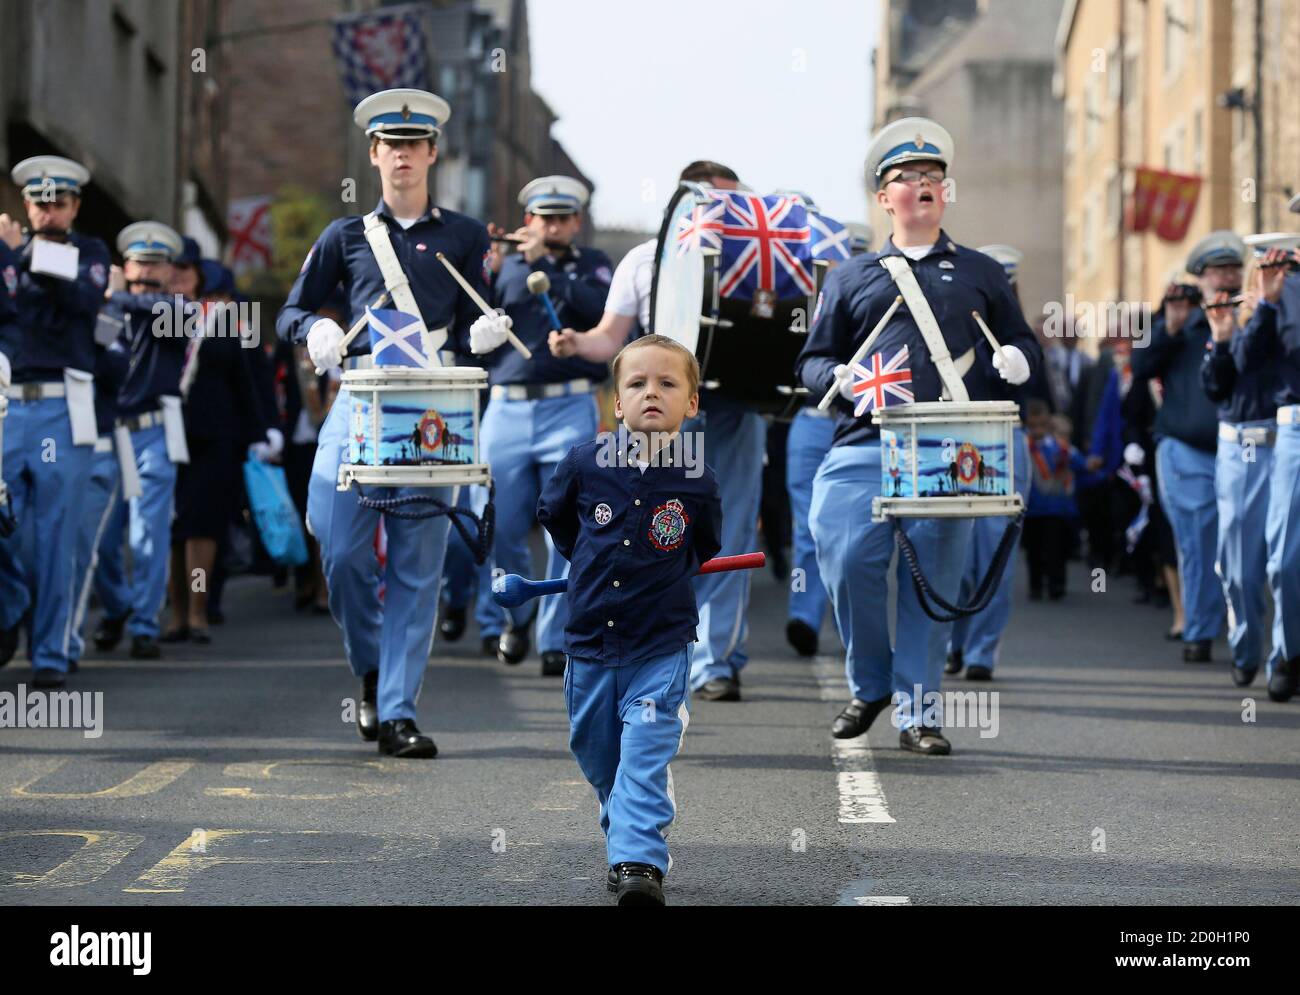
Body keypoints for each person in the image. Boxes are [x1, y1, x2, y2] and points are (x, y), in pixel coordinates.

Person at [796, 117, 1040, 755]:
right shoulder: (851, 276)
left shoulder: (984, 273)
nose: (923, 186)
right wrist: (840, 375)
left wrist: (1019, 360)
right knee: (844, 555)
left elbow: (1021, 341)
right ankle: (870, 682)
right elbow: (810, 361)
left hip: (950, 442)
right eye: (908, 179)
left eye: (933, 178)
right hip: (865, 440)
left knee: (935, 580)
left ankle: (919, 713)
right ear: (884, 199)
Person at [277, 88, 494, 757]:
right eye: (390, 145)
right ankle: (370, 666)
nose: (402, 155)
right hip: (361, 397)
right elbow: (289, 311)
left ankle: (399, 709)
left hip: (434, 404)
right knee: (340, 550)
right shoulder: (344, 236)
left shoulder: (464, 234)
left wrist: (483, 330)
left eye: (414, 144)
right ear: (373, 154)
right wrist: (315, 327)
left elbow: (482, 313)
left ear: (432, 153)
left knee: (417, 565)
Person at [549, 160, 764, 702]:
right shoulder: (646, 258)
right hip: (667, 417)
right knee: (654, 529)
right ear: (687, 203)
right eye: (718, 203)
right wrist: (577, 345)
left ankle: (715, 661)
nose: (729, 213)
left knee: (728, 530)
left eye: (737, 203)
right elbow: (611, 337)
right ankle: (636, 640)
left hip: (735, 405)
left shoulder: (757, 261)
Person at [536, 334, 721, 906]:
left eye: (668, 384)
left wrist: (656, 574)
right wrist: (592, 565)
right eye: (636, 384)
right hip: (590, 641)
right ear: (617, 402)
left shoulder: (698, 480)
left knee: (644, 751)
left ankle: (639, 862)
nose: (651, 393)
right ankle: (624, 831)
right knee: (597, 754)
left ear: (691, 403)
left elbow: (704, 547)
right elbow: (557, 519)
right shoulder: (584, 462)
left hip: (660, 645)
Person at [471, 175, 613, 675]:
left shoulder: (594, 266)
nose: (552, 226)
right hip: (507, 405)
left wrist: (547, 266)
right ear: (528, 220)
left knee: (566, 528)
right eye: (543, 218)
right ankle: (516, 615)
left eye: (562, 218)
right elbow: (472, 313)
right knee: (499, 520)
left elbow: (605, 315)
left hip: (569, 402)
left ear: (576, 222)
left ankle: (557, 633)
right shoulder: (503, 264)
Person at [0, 156, 110, 684]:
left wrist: (23, 253)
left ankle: (49, 653)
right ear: (25, 204)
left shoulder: (89, 252)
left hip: (64, 405)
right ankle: (15, 610)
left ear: (74, 207)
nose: (48, 212)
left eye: (58, 203)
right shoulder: (11, 255)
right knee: (9, 531)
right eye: (40, 204)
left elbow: (84, 297)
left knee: (56, 536)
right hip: (8, 403)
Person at [1132, 232, 1239, 663]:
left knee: (1239, 543)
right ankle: (1198, 629)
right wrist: (1171, 328)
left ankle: (1242, 627)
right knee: (1196, 541)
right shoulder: (1181, 323)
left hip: (1239, 447)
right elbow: (1140, 367)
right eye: (1218, 271)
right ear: (1202, 278)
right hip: (1185, 450)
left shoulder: (1250, 320)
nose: (1227, 278)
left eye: (1234, 269)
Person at [165, 259, 278, 643]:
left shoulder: (226, 319)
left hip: (213, 438)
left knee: (202, 526)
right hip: (163, 435)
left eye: (185, 272)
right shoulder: (152, 313)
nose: (177, 279)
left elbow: (248, 377)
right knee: (170, 527)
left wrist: (263, 430)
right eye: (172, 271)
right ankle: (175, 614)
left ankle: (198, 612)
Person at [944, 244, 1044, 680]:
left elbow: (1041, 398)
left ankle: (983, 651)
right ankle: (954, 641)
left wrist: (1019, 362)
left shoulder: (1018, 333)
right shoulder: (951, 324)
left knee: (996, 553)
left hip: (1005, 436)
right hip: (960, 435)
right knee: (956, 554)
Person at [97, 221, 189, 659]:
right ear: (125, 263)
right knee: (101, 534)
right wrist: (111, 301)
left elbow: (165, 316)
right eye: (139, 263)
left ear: (171, 270)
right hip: (109, 430)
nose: (148, 272)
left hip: (154, 429)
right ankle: (118, 606)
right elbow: (95, 342)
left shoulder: (177, 310)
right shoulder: (110, 307)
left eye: (156, 265)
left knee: (148, 533)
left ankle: (144, 622)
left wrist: (120, 294)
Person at [784, 221, 873, 659]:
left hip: (854, 423)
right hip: (810, 417)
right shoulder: (801, 301)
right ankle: (804, 615)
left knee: (848, 528)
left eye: (855, 255)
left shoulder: (876, 303)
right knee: (809, 525)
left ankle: (845, 618)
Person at [1201, 252, 1282, 687]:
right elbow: (1216, 386)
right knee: (1238, 566)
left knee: (1286, 563)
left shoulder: (1287, 320)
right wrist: (1221, 337)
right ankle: (1247, 645)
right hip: (1242, 448)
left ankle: (1286, 659)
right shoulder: (1235, 321)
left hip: (1286, 438)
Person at [1229, 227, 1300, 702]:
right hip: (1293, 422)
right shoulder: (1284, 285)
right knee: (1285, 560)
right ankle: (1287, 655)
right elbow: (1245, 361)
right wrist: (1268, 304)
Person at [1022, 402, 1098, 599]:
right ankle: (1036, 585)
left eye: (1041, 425)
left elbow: (1082, 465)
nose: (1037, 430)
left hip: (1056, 509)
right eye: (1033, 426)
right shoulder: (1022, 448)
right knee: (1033, 550)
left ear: (1049, 425)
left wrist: (1095, 466)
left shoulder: (1061, 448)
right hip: (1031, 509)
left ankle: (1057, 584)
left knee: (1055, 549)